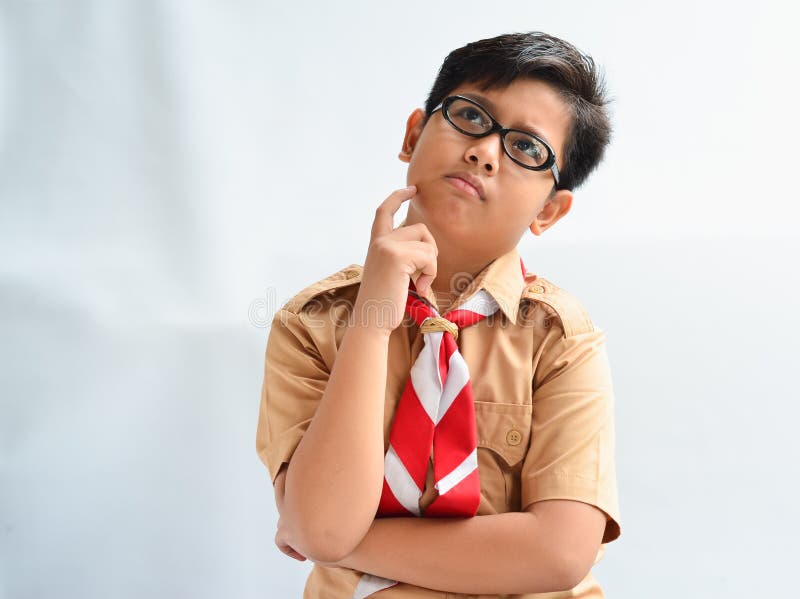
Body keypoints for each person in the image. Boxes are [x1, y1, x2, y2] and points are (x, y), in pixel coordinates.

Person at [256, 31, 622, 598]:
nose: (485, 151)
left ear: (549, 210)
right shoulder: (310, 325)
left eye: (527, 148)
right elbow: (322, 522)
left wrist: (340, 542)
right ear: (412, 134)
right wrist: (374, 318)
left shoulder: (560, 336)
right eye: (471, 116)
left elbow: (559, 553)